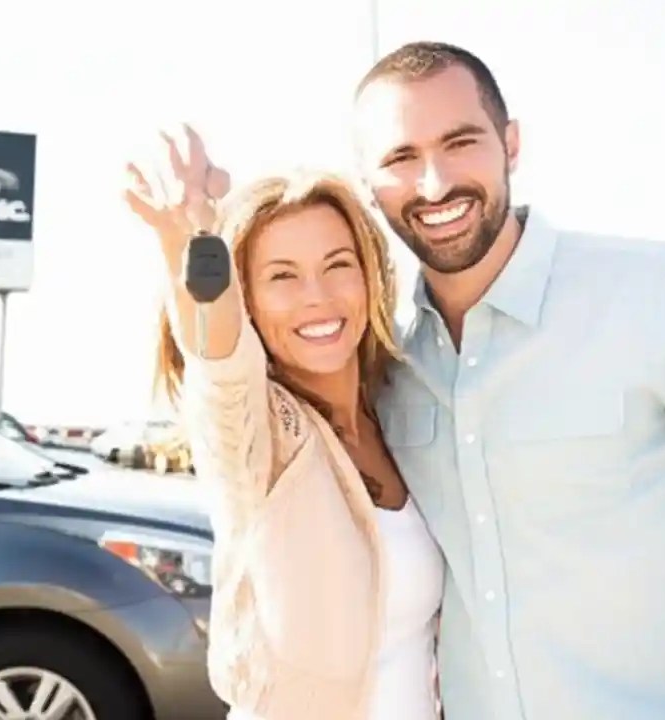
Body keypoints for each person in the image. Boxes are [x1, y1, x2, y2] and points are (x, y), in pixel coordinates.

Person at [350, 41, 665, 720]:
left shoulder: (663, 295)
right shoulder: (387, 367)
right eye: (399, 157)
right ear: (367, 182)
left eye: (461, 141)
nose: (434, 183)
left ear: (511, 144)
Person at [122, 128, 444, 719]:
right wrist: (190, 238)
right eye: (282, 276)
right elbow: (217, 356)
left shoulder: (400, 412)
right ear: (247, 299)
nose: (316, 297)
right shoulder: (257, 432)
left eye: (337, 265)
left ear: (370, 275)